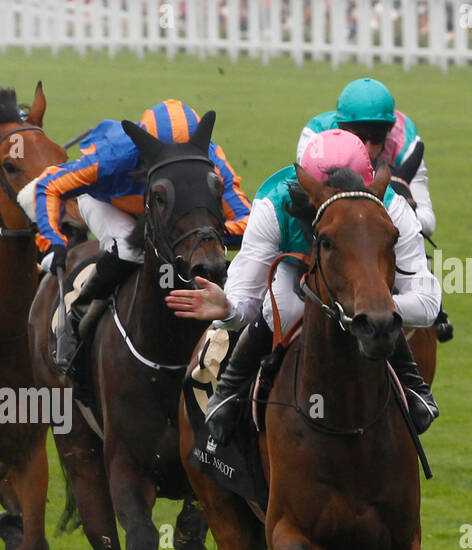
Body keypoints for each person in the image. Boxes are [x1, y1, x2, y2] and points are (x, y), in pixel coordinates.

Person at [166, 128, 440, 441]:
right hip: (295, 270)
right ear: (306, 191)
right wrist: (228, 309)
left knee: (379, 307)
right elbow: (246, 298)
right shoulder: (273, 205)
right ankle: (229, 388)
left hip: (361, 283)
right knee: (285, 305)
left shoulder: (391, 208)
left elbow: (428, 302)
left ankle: (413, 384)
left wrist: (368, 306)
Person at [21, 100, 251, 375]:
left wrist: (210, 238)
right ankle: (79, 315)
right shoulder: (114, 155)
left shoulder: (209, 160)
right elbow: (49, 184)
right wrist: (52, 241)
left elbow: (246, 220)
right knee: (129, 250)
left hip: (165, 213)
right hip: (107, 203)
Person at [298, 77, 452, 341]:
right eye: (359, 137)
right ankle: (243, 373)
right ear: (340, 127)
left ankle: (413, 376)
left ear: (390, 132)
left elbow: (427, 221)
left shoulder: (407, 144)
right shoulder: (316, 138)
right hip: (332, 227)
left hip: (379, 234)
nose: (368, 149)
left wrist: (401, 197)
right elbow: (315, 204)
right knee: (281, 304)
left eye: (378, 138)